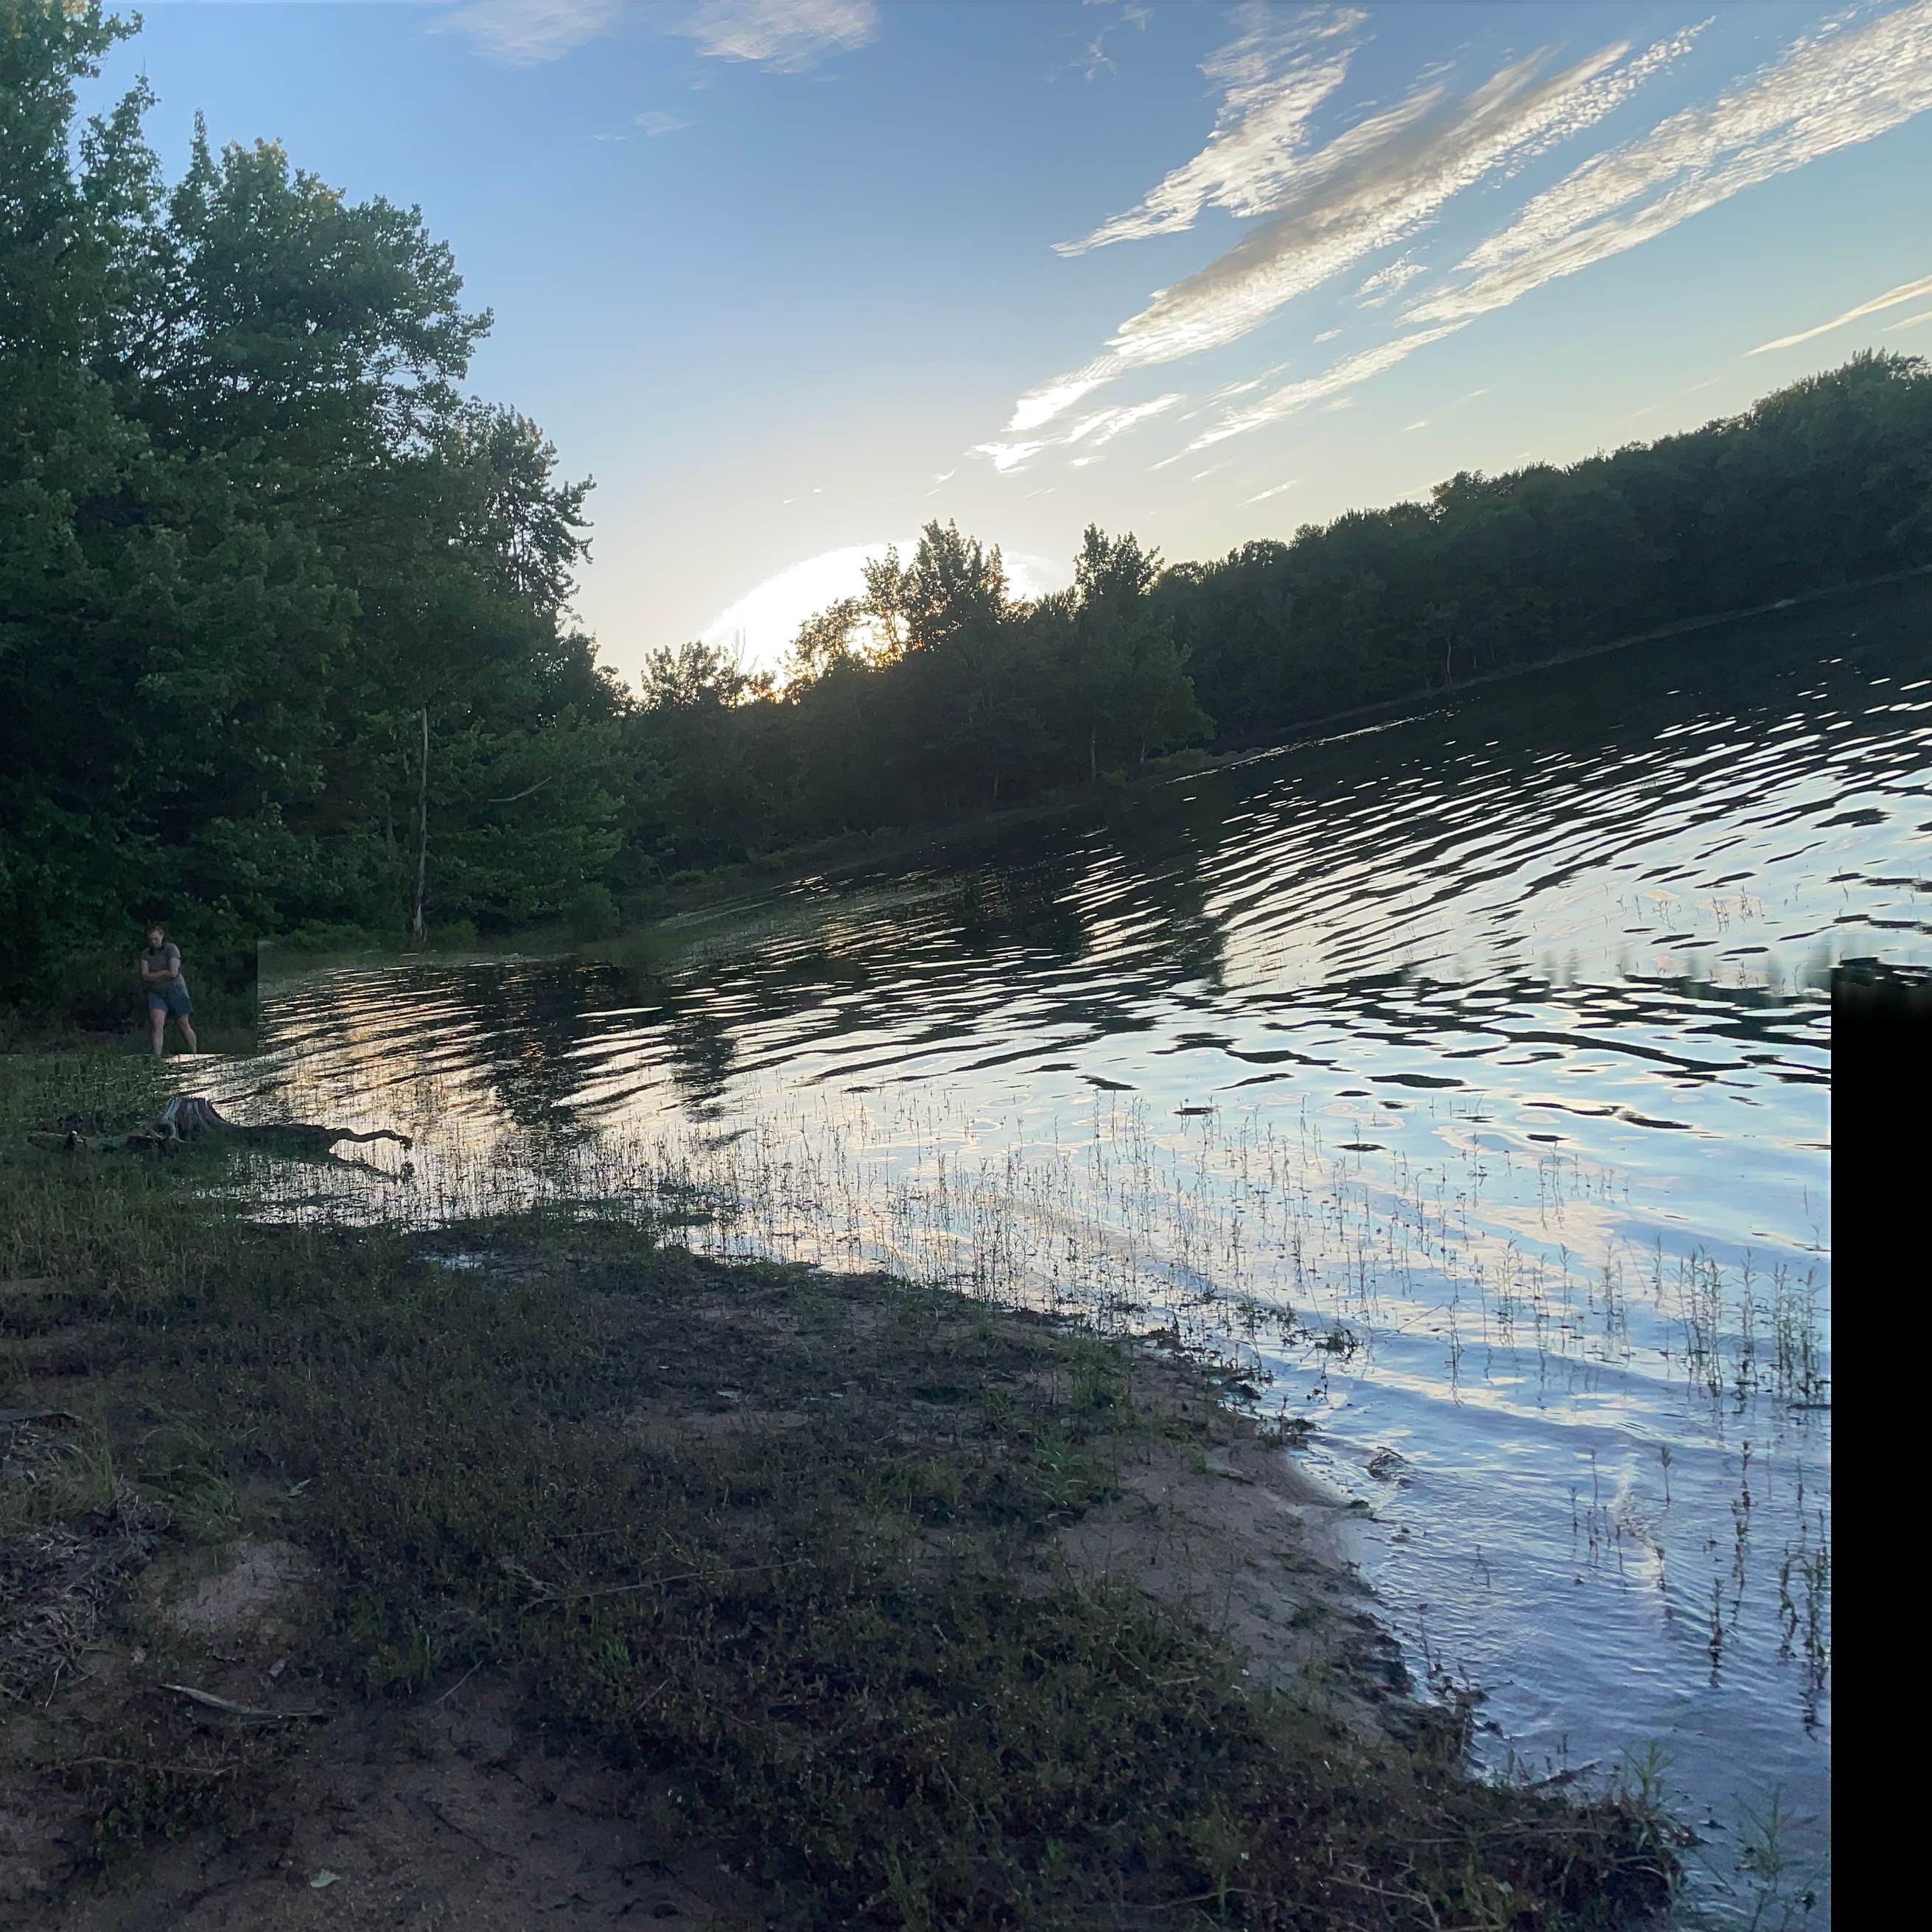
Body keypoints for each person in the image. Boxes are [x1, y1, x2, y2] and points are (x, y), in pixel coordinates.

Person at [139, 925, 198, 1055]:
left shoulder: (171, 949)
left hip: (176, 990)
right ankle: (157, 1058)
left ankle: (194, 1052)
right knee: (157, 1024)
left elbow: (173, 972)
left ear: (162, 937)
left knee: (183, 1024)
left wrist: (154, 975)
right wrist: (163, 973)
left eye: (156, 939)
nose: (154, 942)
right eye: (151, 940)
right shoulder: (146, 953)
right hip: (157, 992)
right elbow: (145, 975)